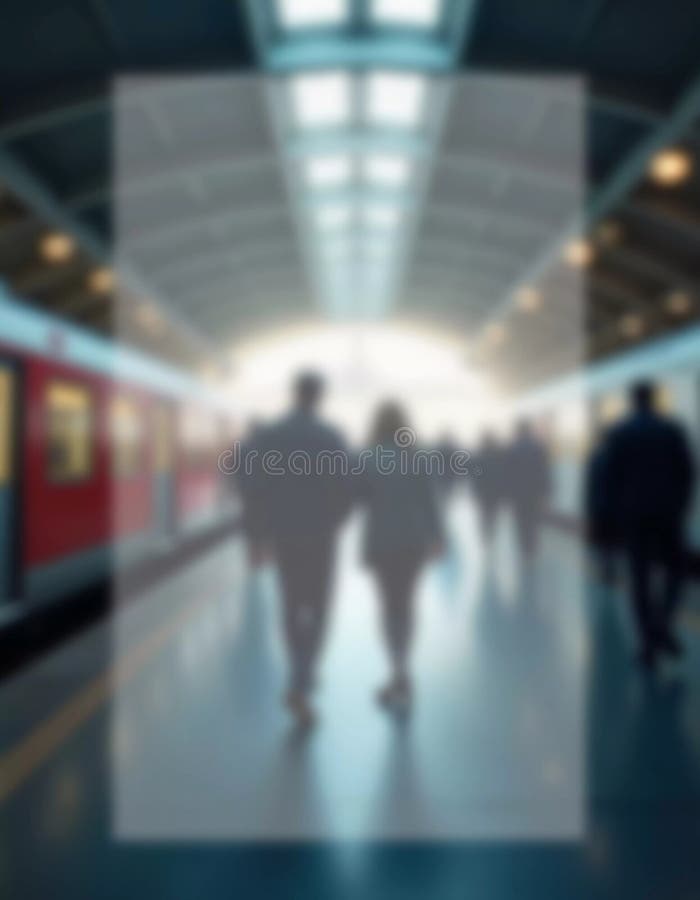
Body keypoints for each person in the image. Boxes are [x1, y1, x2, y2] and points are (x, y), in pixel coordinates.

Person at [243, 372, 351, 726]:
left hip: (284, 535)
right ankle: (303, 679)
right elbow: (347, 487)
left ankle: (298, 670)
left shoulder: (270, 435)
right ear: (320, 396)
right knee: (319, 608)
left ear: (294, 394)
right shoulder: (332, 436)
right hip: (322, 536)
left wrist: (258, 540)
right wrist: (336, 521)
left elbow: (254, 490)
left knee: (291, 604)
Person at [357, 402, 445, 711]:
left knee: (388, 605)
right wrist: (437, 537)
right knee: (406, 604)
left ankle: (396, 669)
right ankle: (403, 666)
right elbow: (430, 501)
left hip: (380, 542)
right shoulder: (416, 456)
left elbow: (357, 497)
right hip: (413, 541)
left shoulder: (367, 456)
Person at [601, 382, 695, 669]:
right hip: (668, 516)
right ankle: (663, 625)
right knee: (675, 573)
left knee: (639, 580)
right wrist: (680, 507)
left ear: (631, 401)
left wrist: (615, 518)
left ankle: (647, 642)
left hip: (635, 518)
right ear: (654, 399)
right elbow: (688, 472)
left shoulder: (619, 434)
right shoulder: (672, 430)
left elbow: (610, 480)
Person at [502, 419, 552, 560]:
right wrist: (545, 492)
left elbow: (507, 474)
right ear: (529, 431)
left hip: (518, 494)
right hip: (534, 492)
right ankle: (532, 547)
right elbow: (543, 471)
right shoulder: (538, 448)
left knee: (521, 521)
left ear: (518, 432)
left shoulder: (512, 449)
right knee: (533, 519)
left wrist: (506, 494)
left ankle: (524, 547)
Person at [471, 431, 503, 545]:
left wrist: (475, 491)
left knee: (484, 513)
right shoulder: (497, 456)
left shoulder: (478, 457)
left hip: (482, 492)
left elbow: (474, 476)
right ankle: (491, 532)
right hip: (494, 491)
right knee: (493, 513)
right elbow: (501, 475)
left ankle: (485, 534)